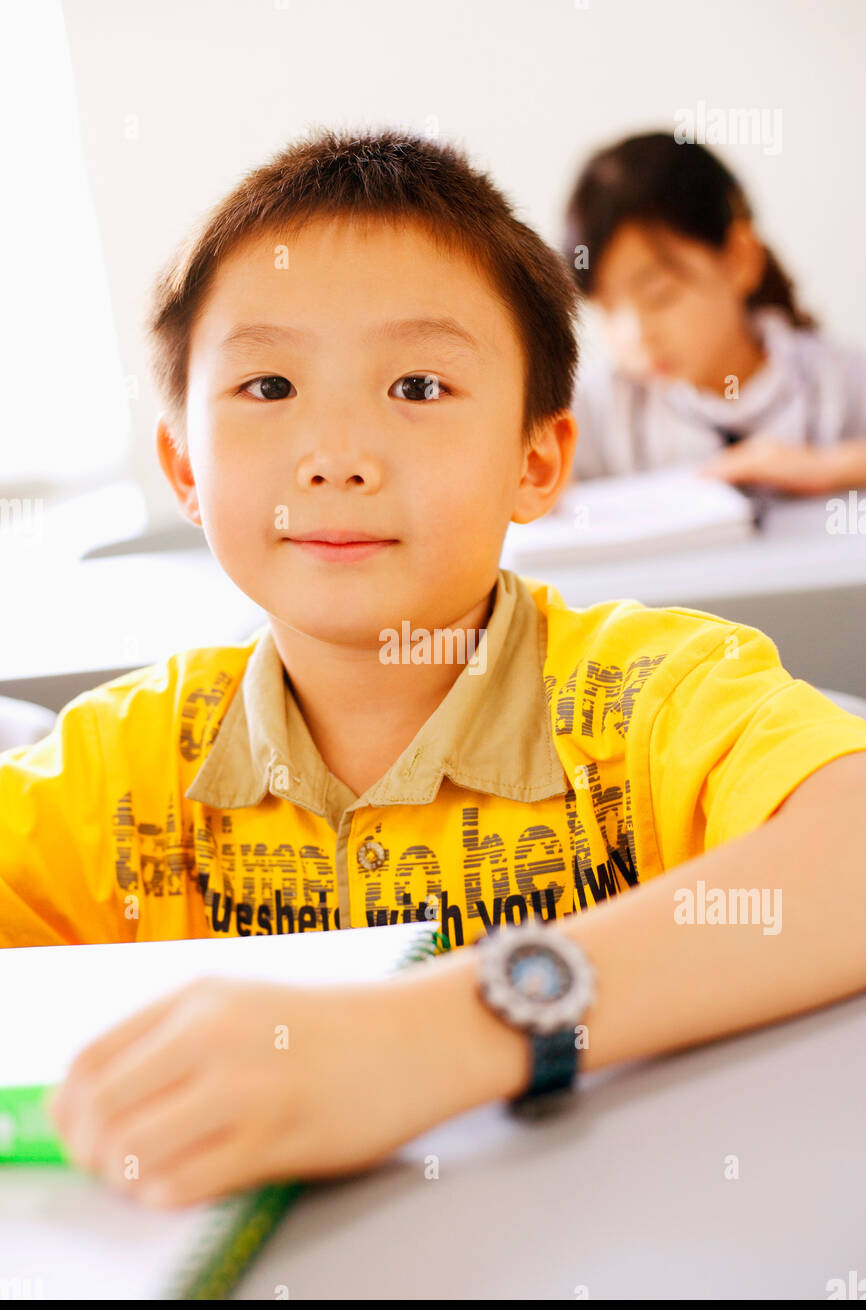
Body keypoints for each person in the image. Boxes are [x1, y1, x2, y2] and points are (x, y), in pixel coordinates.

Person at [1, 130, 864, 1210]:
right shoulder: (118, 768)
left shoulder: (641, 694)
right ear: (182, 464)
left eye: (416, 385)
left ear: (535, 458)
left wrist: (437, 1036)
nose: (336, 454)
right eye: (267, 385)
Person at [563, 131, 866, 492]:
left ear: (738, 259)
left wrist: (829, 468)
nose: (637, 336)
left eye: (661, 296)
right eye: (607, 308)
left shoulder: (842, 384)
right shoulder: (595, 412)